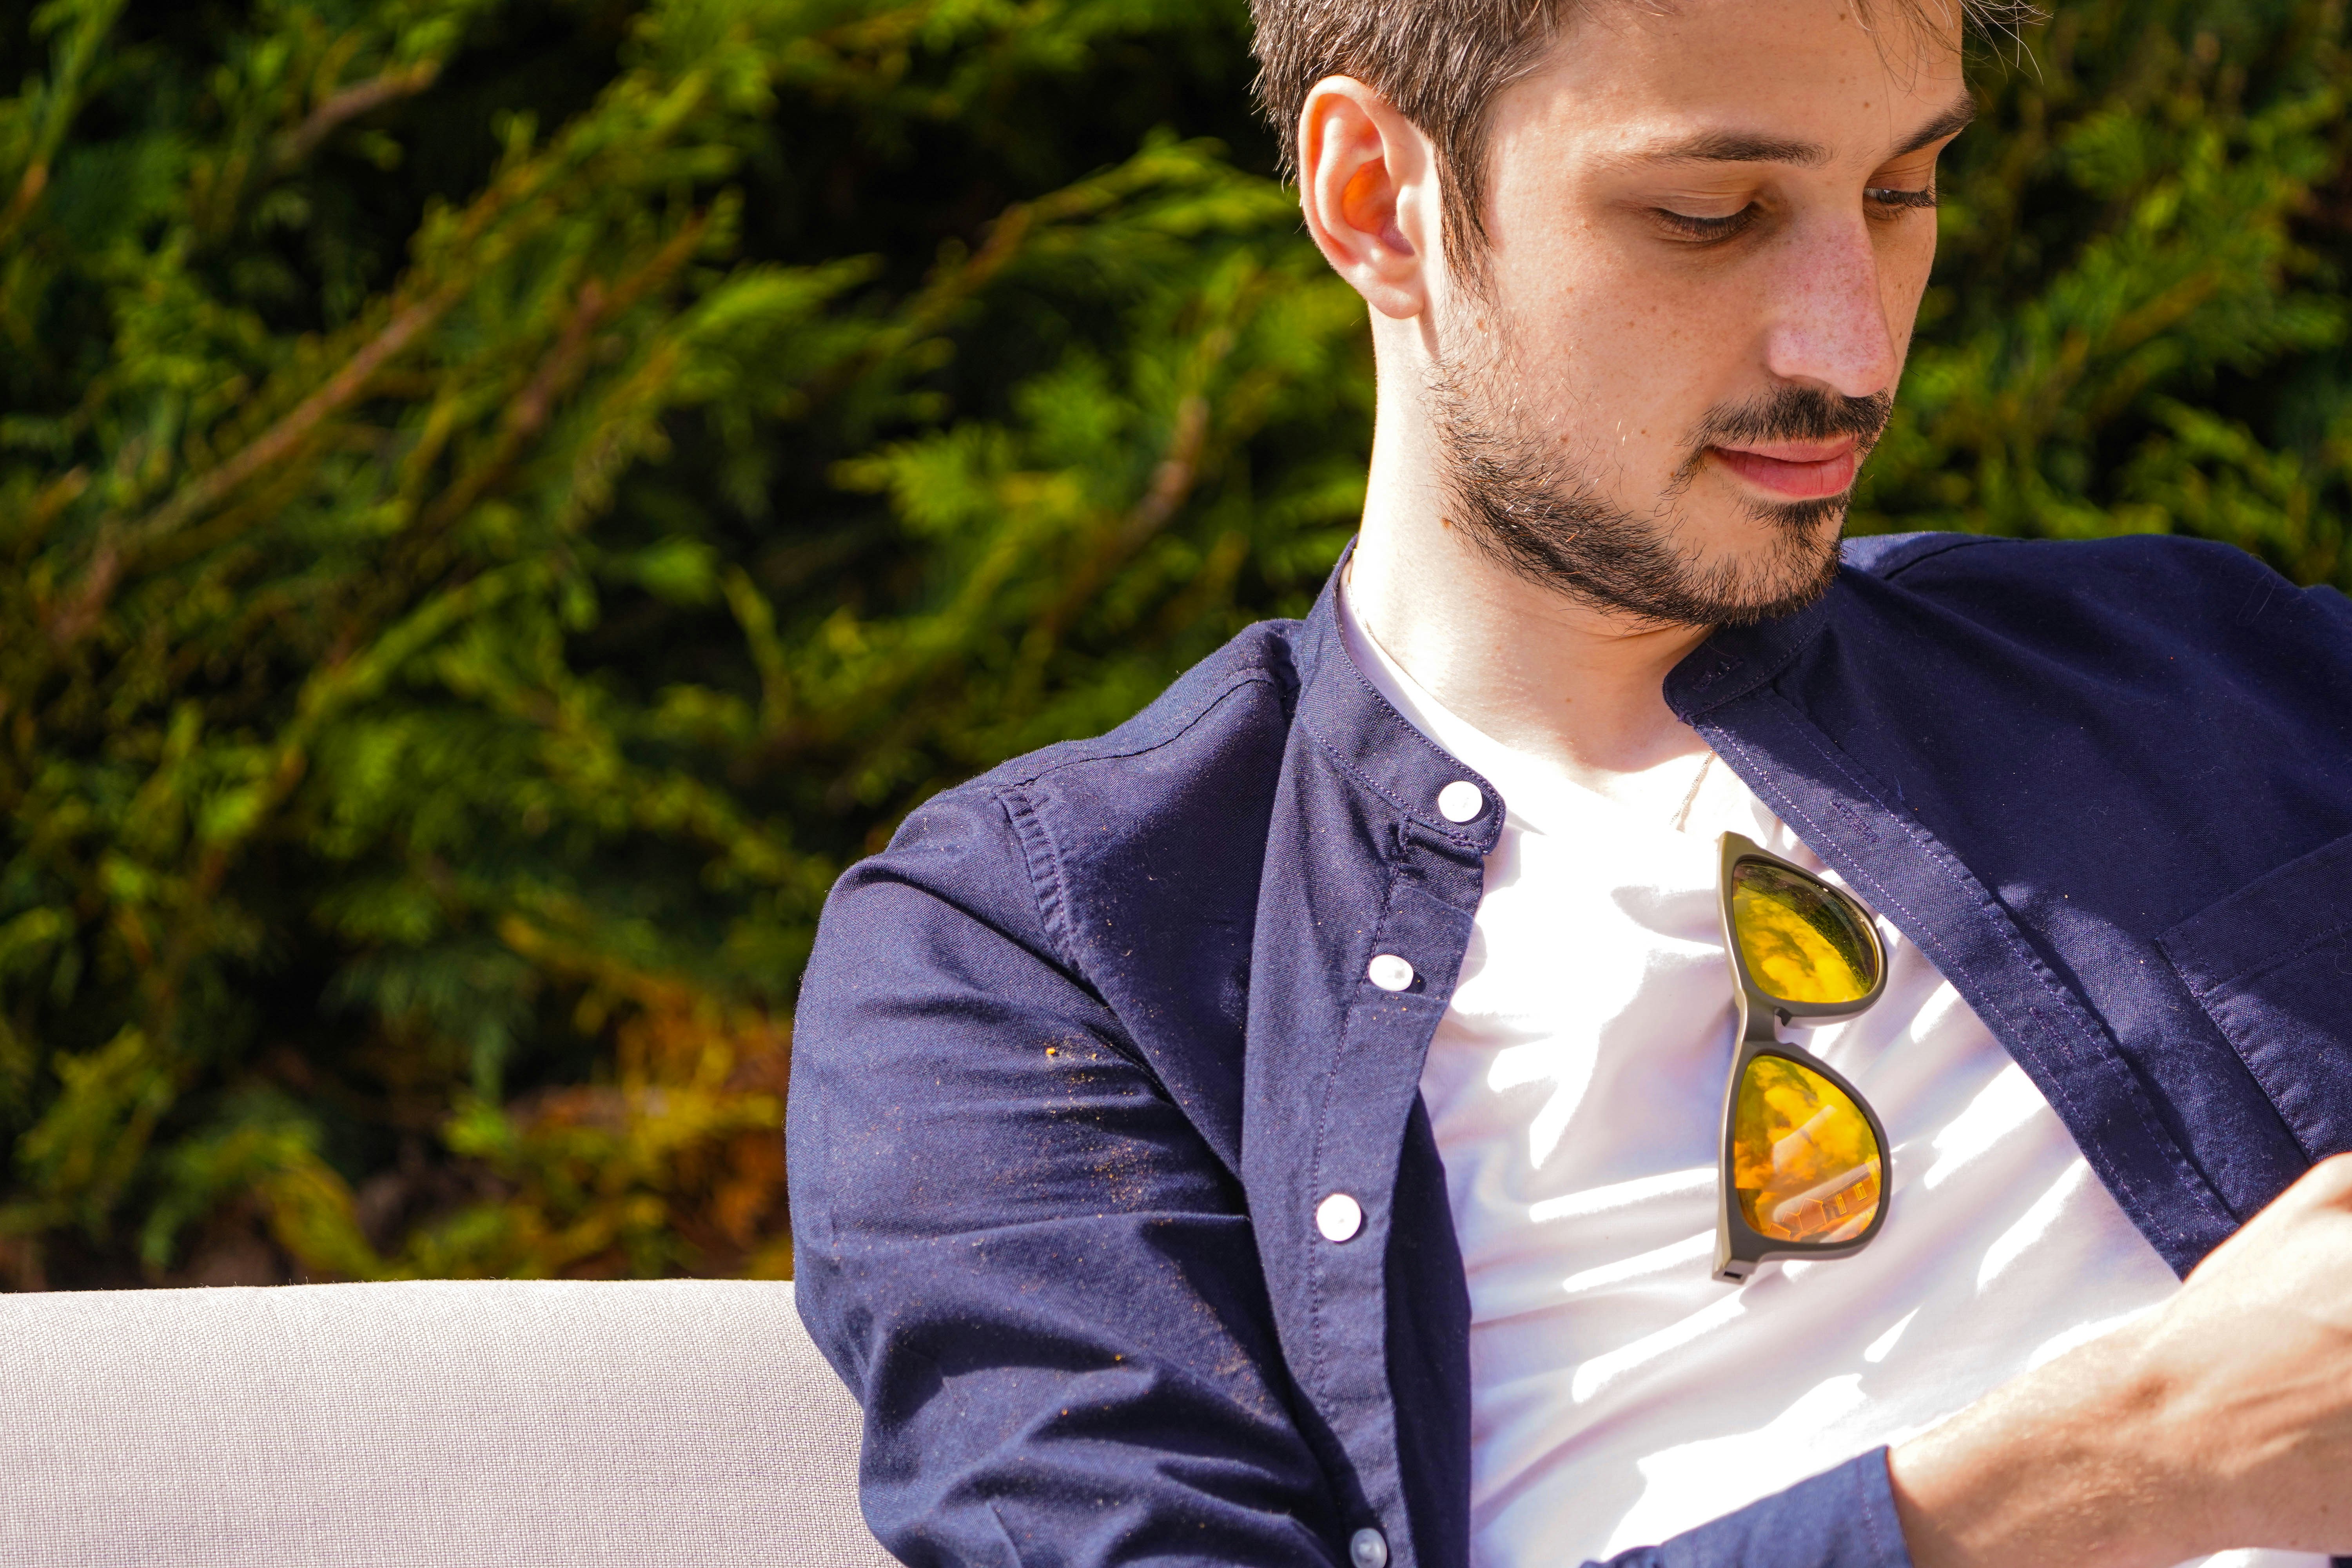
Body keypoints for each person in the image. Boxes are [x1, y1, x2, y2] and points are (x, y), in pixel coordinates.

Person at [785, 1, 2352, 1564]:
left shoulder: (2206, 667)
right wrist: (2136, 1457)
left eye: (1902, 190)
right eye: (1710, 214)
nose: (1852, 347)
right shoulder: (1047, 951)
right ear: (1372, 197)